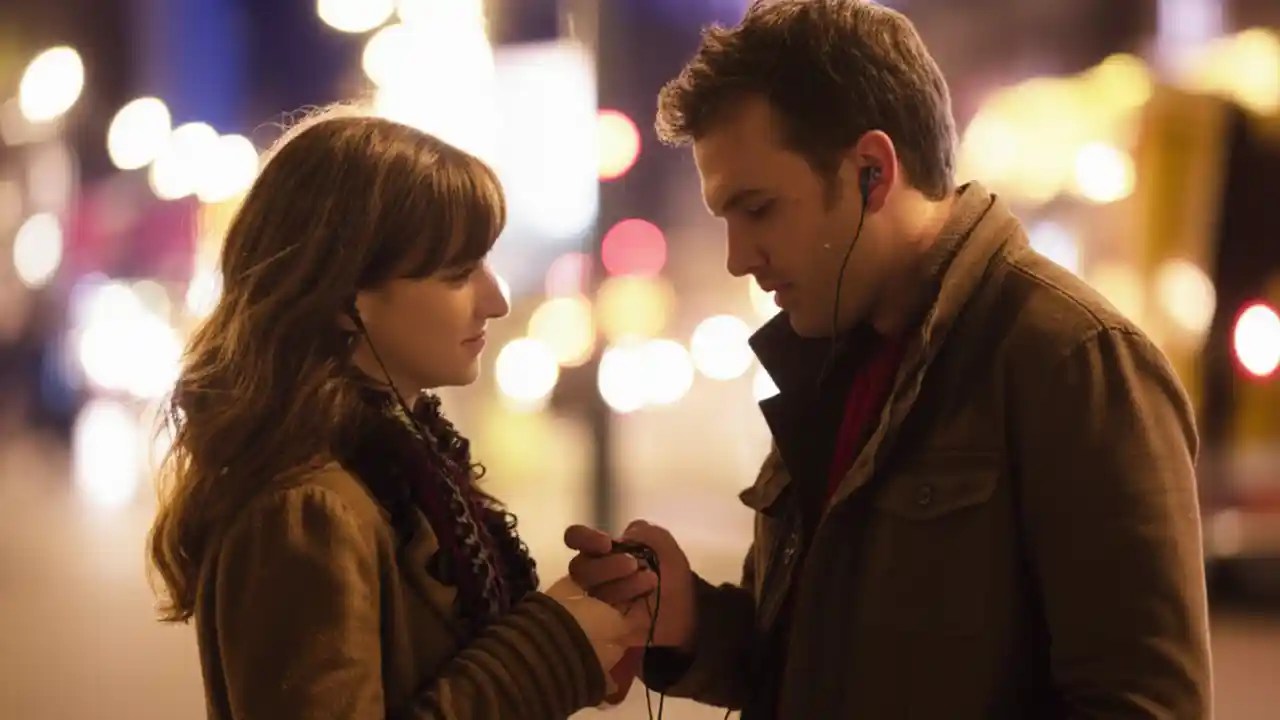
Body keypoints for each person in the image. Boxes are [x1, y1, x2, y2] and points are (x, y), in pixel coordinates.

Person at [566, 1, 1213, 718]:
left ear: (872, 172)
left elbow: (1144, 705)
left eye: (759, 210)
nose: (738, 258)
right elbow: (815, 665)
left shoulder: (1073, 361)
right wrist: (690, 622)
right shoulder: (837, 360)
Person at [148, 108, 644, 719]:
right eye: (459, 273)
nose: (496, 299)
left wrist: (574, 622)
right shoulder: (308, 510)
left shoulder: (403, 474)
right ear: (341, 297)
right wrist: (549, 652)